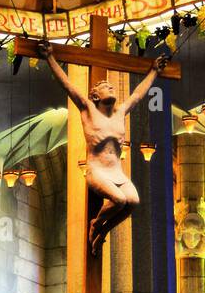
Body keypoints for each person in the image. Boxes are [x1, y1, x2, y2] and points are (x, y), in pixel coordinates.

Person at [38, 40, 169, 254]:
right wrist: (50, 57)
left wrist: (154, 71)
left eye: (111, 85)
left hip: (117, 171)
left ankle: (103, 230)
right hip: (97, 170)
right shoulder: (88, 109)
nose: (111, 86)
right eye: (105, 86)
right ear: (95, 96)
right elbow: (68, 85)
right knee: (118, 200)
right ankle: (96, 224)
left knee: (133, 201)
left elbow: (138, 95)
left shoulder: (120, 112)